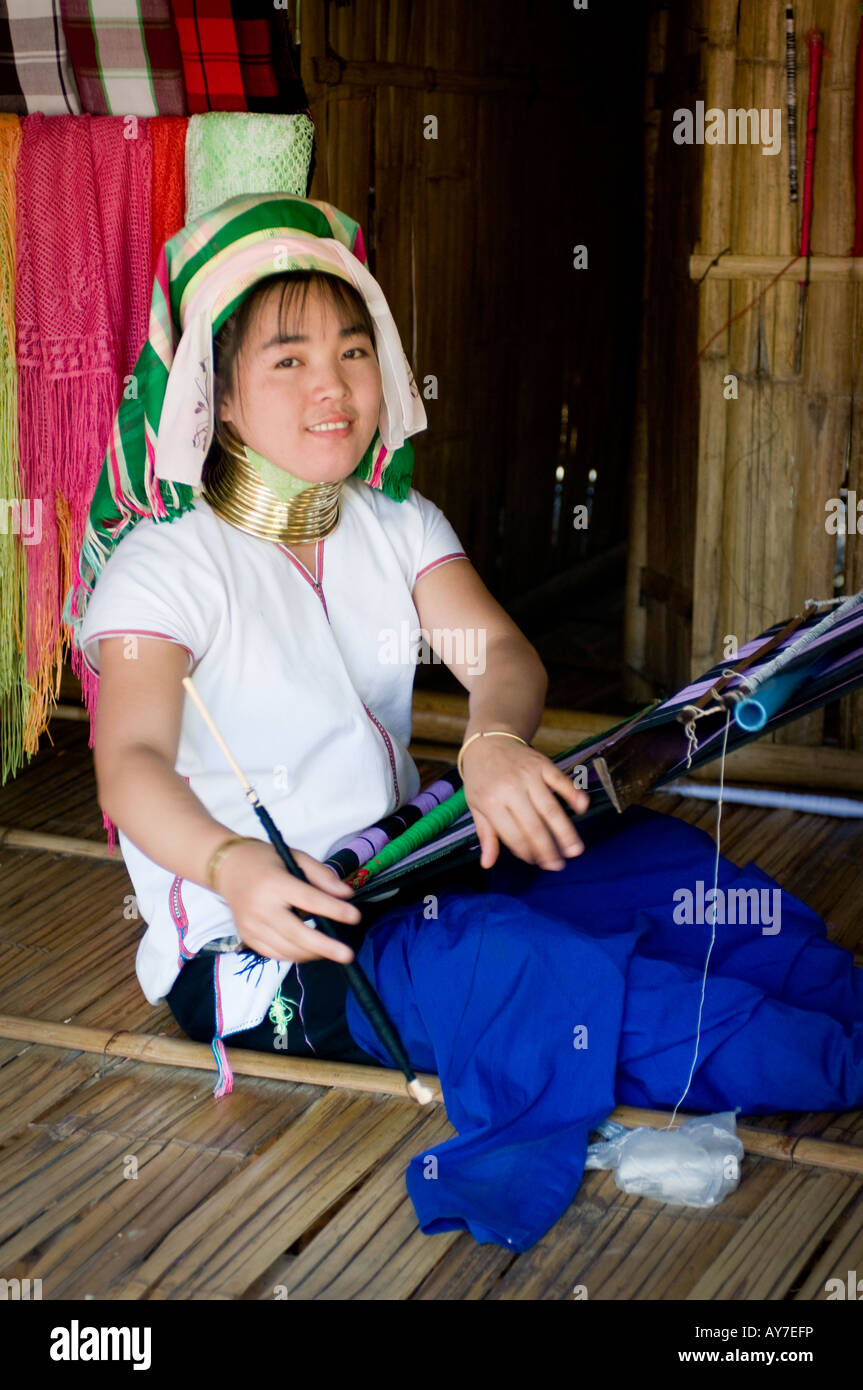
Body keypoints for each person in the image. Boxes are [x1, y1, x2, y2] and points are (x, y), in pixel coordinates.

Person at [65, 194, 863, 1252]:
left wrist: (490, 742)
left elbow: (502, 658)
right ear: (213, 390)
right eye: (289, 360)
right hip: (267, 941)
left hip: (409, 862)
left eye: (354, 350)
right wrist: (230, 866)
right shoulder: (163, 565)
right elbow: (127, 764)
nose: (333, 388)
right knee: (518, 971)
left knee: (660, 867)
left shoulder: (395, 520)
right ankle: (828, 1060)